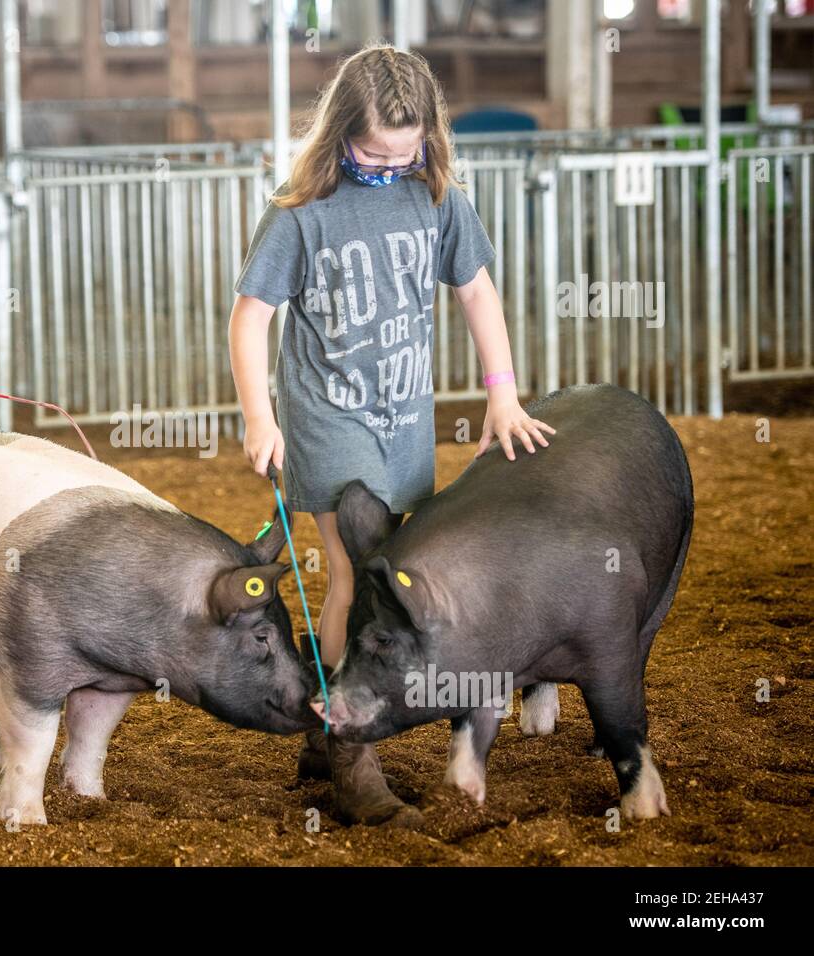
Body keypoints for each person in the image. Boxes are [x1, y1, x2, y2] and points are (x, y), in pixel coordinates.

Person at [229, 44, 555, 825]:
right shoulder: (299, 210)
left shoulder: (435, 193)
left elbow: (477, 292)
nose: (387, 165)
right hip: (328, 414)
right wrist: (259, 417)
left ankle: (325, 716)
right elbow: (251, 318)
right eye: (374, 151)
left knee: (392, 572)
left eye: (404, 152)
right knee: (351, 570)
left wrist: (502, 397)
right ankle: (352, 762)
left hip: (404, 417)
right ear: (341, 131)